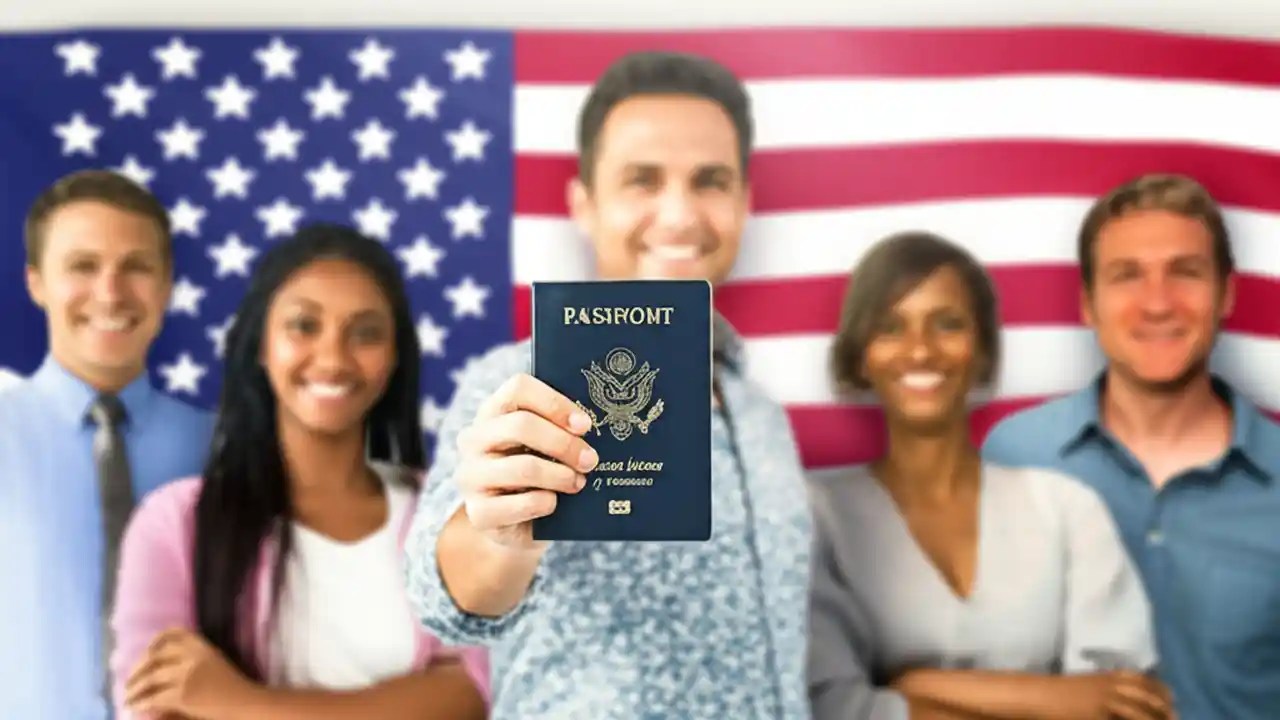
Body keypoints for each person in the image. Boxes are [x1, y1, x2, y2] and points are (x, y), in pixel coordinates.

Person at [402, 51, 814, 718]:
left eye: (710, 181)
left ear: (743, 202)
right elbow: (446, 595)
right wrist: (497, 534)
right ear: (584, 205)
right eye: (642, 181)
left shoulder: (761, 410)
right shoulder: (516, 384)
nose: (679, 214)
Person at [107, 224, 490, 719]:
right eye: (304, 326)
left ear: (394, 358)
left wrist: (237, 702)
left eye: (366, 333)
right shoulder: (175, 524)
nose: (333, 358)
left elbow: (470, 695)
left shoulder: (444, 514)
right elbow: (153, 709)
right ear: (261, 346)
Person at [806, 230, 1173, 720]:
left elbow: (1126, 707)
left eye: (948, 324)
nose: (920, 351)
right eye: (891, 327)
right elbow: (833, 709)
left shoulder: (1066, 508)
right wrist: (1051, 699)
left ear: (982, 350)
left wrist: (918, 685)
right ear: (861, 355)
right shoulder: (815, 514)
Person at [982, 173, 1280, 719]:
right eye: (1127, 277)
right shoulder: (1014, 456)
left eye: (1185, 273)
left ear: (1228, 294)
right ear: (1088, 305)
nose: (1158, 303)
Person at [0, 169, 216, 719]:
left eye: (136, 268)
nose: (111, 293)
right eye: (82, 267)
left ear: (167, 285)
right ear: (35, 283)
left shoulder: (225, 448)